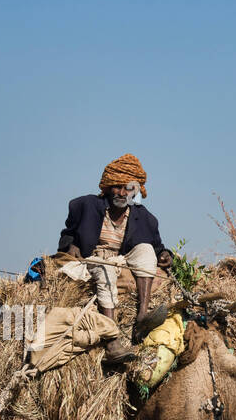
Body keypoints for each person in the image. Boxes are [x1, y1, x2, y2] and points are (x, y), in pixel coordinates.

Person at [57, 154, 174, 364]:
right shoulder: (86, 206)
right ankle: (112, 340)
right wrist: (70, 244)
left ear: (135, 191)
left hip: (123, 259)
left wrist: (165, 255)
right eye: (117, 187)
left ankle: (142, 316)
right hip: (96, 259)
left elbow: (157, 248)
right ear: (108, 186)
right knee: (105, 270)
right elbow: (68, 232)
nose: (121, 193)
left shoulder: (144, 218)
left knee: (146, 250)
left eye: (127, 188)